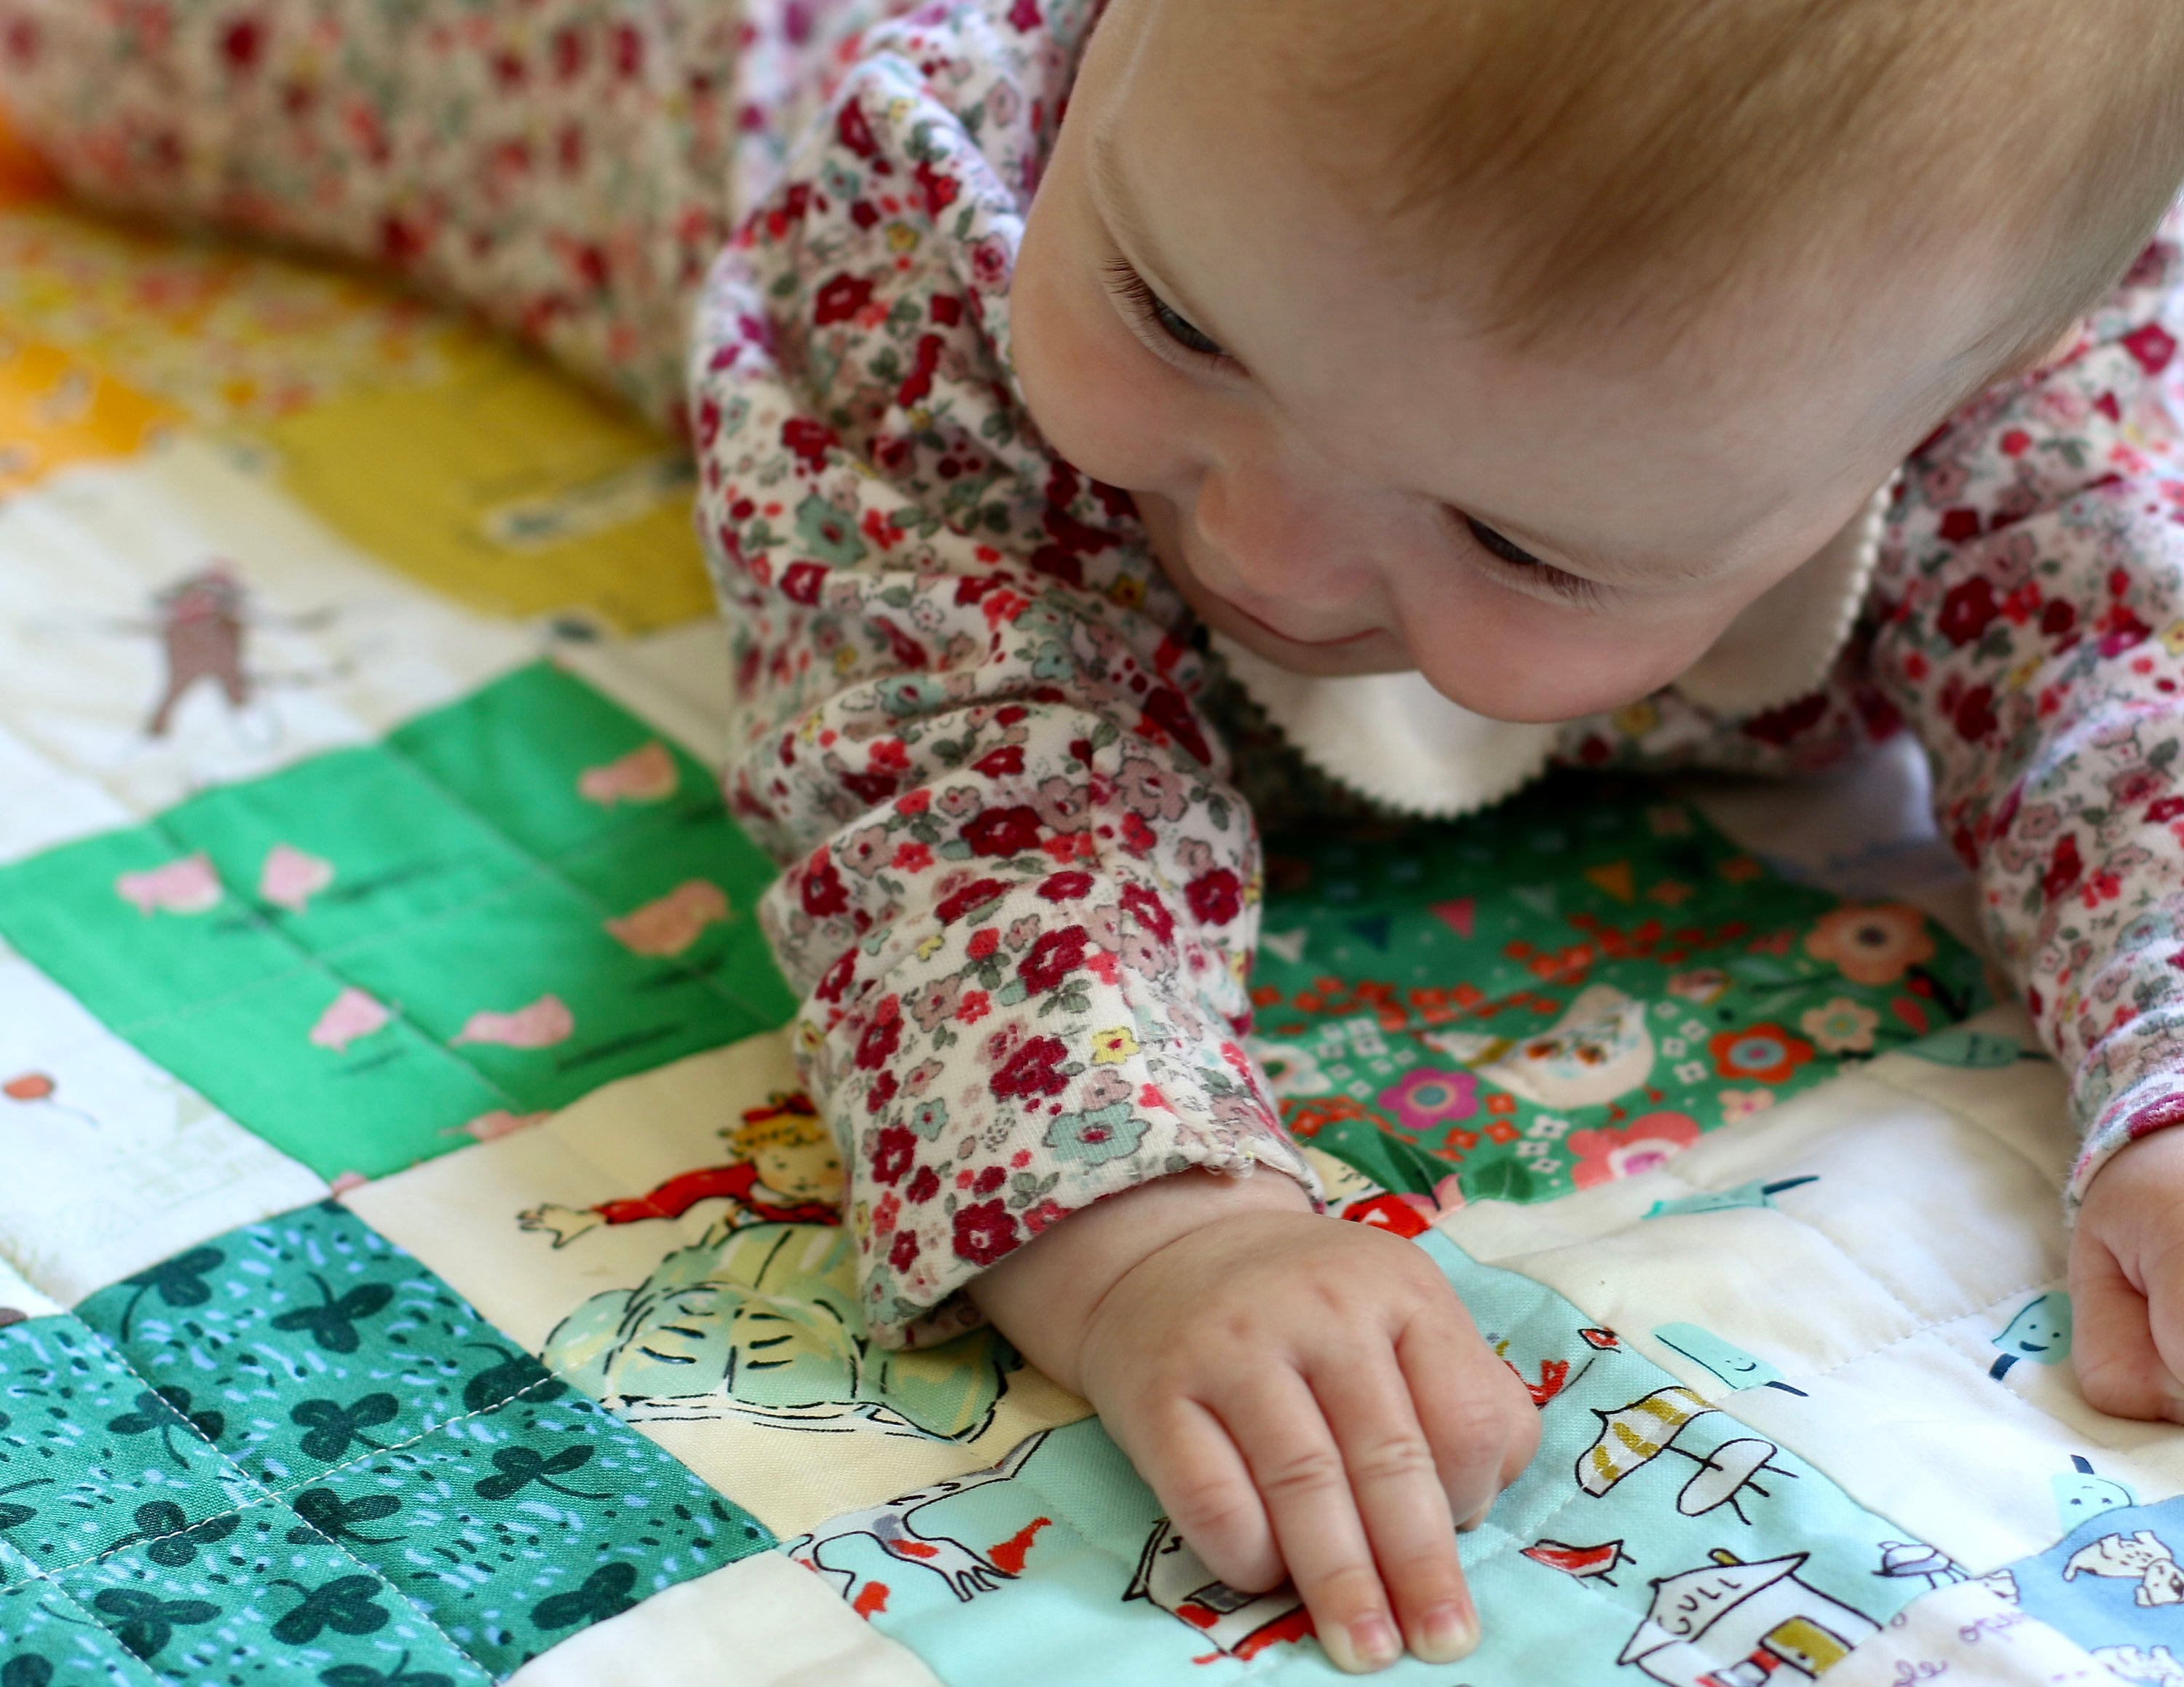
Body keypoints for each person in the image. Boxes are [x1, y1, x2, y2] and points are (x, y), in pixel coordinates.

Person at [9, 0, 2184, 1669]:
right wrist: (1159, 1222)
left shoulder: (2039, 382)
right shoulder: (938, 195)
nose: (1268, 550)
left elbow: (2131, 689)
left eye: (1525, 539)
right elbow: (956, 759)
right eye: (1173, 319)